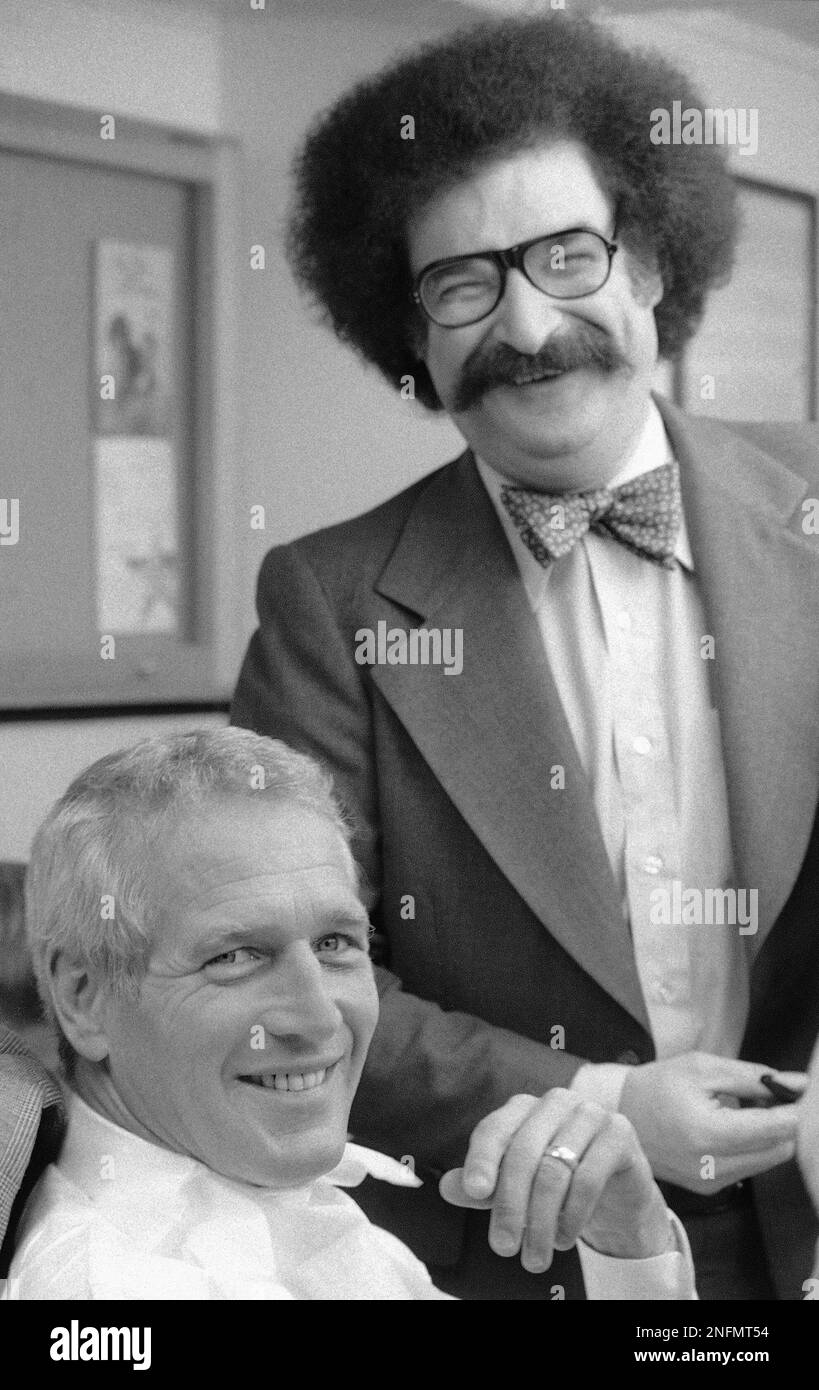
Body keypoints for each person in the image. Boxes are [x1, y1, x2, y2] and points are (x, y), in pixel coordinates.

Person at [231, 12, 819, 1300]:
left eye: (566, 254)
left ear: (653, 261)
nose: (529, 324)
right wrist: (603, 1102)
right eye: (462, 283)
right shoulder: (327, 600)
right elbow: (289, 989)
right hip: (511, 1254)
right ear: (414, 337)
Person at [3, 729, 695, 1300]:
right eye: (238, 955)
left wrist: (630, 1251)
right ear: (82, 998)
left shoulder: (291, 1207)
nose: (316, 1017)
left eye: (336, 944)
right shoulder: (114, 1289)